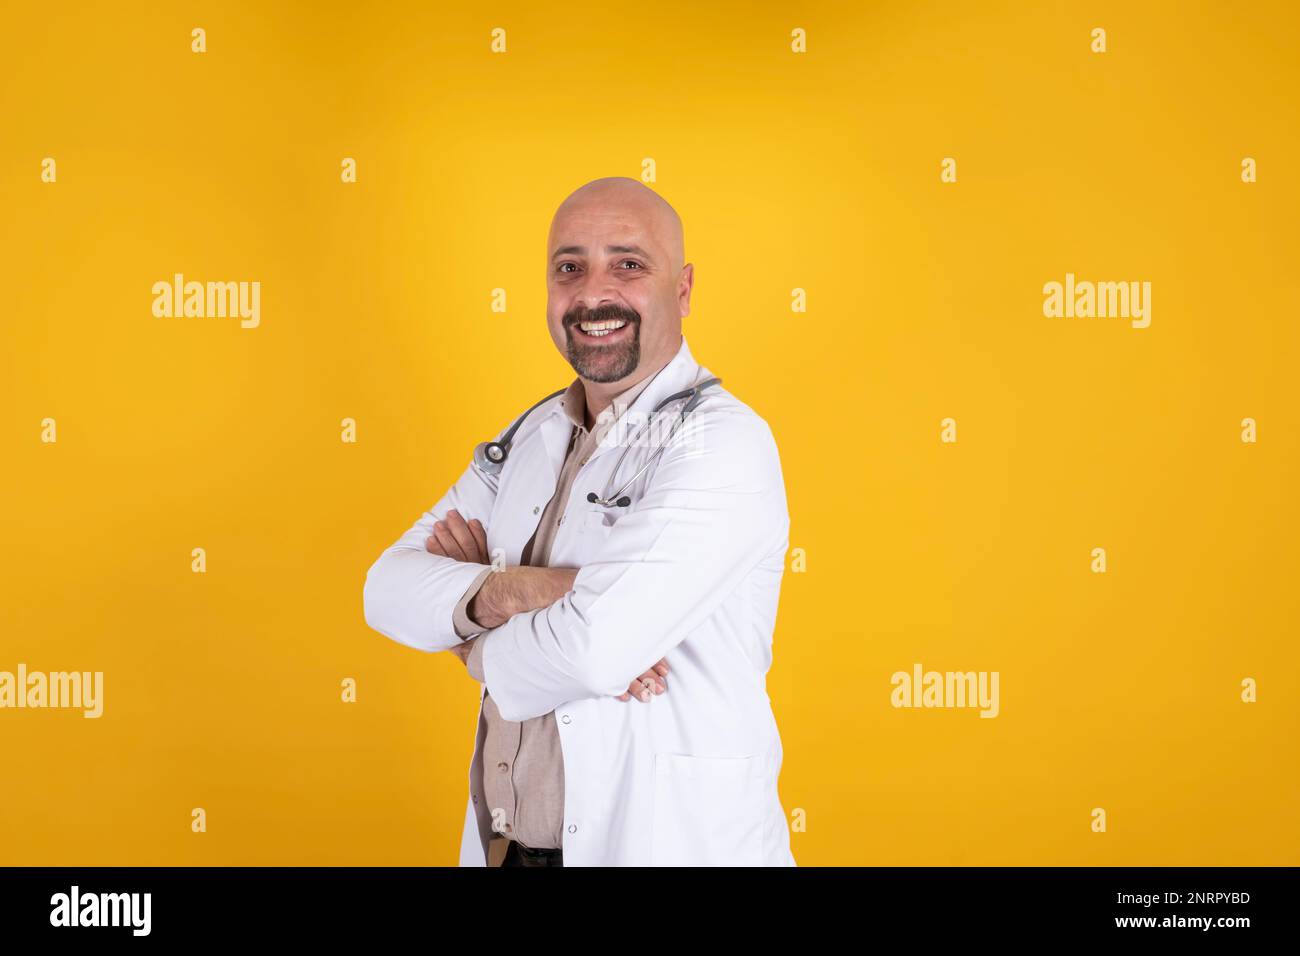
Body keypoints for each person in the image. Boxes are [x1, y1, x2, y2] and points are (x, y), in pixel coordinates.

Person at [363, 177, 795, 866]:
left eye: (628, 263)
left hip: (667, 846)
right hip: (511, 849)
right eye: (571, 267)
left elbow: (597, 650)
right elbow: (384, 591)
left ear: (682, 290)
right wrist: (519, 591)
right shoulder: (531, 433)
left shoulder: (721, 444)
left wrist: (464, 634)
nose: (594, 294)